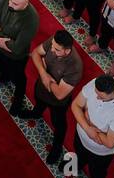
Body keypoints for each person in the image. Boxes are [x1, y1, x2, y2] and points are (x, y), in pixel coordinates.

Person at [27, 30, 83, 166]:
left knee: (59, 124)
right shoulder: (55, 41)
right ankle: (36, 113)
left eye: (57, 50)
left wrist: (45, 76)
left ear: (67, 51)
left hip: (58, 103)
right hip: (41, 88)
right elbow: (35, 53)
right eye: (52, 46)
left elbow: (59, 94)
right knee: (38, 104)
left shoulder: (75, 66)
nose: (51, 50)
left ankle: (57, 147)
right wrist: (44, 73)